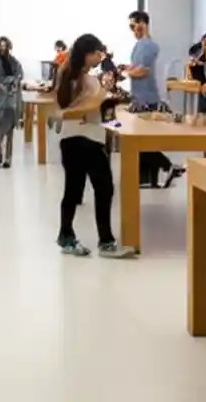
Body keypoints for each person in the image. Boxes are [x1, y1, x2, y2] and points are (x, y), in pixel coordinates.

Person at [54, 34, 136, 259]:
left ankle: (66, 237)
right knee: (104, 189)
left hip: (70, 140)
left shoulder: (68, 75)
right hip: (88, 140)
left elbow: (77, 109)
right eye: (97, 52)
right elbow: (92, 109)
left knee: (73, 190)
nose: (100, 56)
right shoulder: (85, 80)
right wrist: (105, 98)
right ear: (87, 54)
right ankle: (106, 242)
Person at [123, 11, 180, 188]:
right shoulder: (140, 45)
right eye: (132, 26)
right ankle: (152, 176)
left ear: (145, 23)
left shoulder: (148, 45)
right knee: (143, 140)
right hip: (141, 97)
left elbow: (142, 71)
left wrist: (124, 73)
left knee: (141, 141)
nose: (135, 29)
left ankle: (167, 167)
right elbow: (137, 67)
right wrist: (127, 68)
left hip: (148, 99)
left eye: (137, 25)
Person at [0, 35, 24, 168]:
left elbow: (19, 75)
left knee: (10, 128)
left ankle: (8, 157)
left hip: (10, 99)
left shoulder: (13, 62)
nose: (3, 48)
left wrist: (13, 83)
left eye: (5, 46)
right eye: (0, 46)